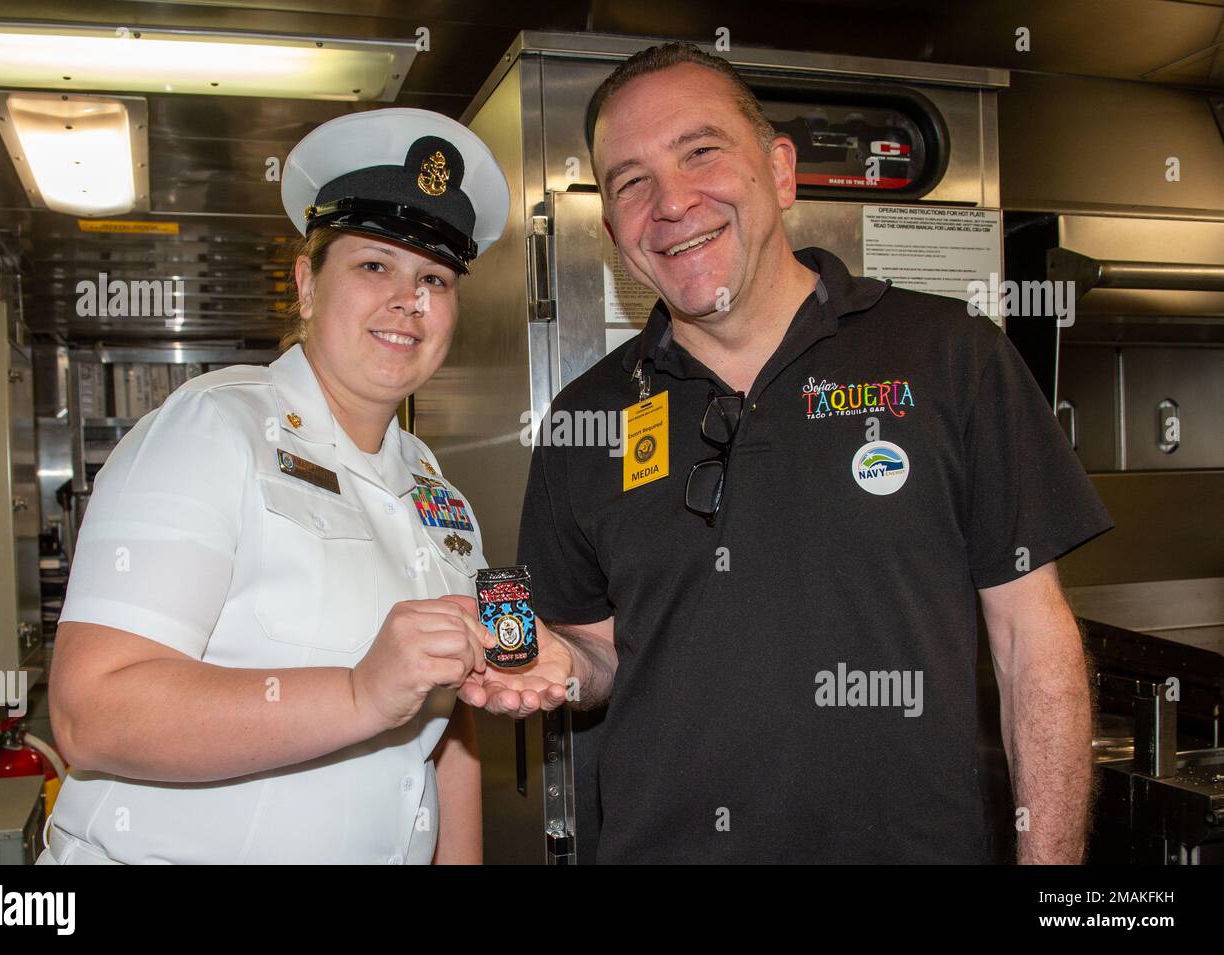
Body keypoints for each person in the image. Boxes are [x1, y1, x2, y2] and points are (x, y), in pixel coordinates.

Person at [475, 42, 1113, 864]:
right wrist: (554, 662)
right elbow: (597, 653)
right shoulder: (585, 417)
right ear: (612, 231)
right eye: (631, 181)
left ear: (779, 171)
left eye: (700, 151)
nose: (671, 202)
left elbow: (1034, 637)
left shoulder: (951, 357)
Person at [40, 108, 515, 864]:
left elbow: (445, 718)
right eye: (373, 266)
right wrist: (359, 693)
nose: (410, 301)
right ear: (306, 281)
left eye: (434, 278)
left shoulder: (437, 493)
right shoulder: (211, 431)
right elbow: (91, 709)